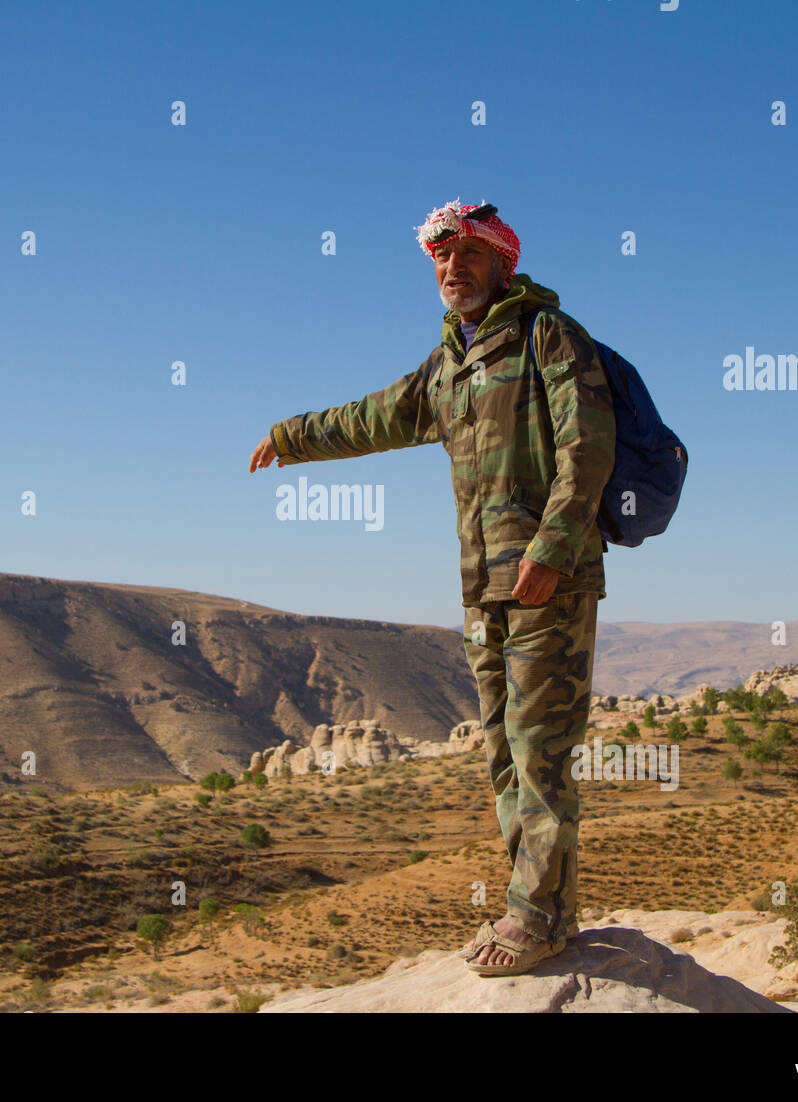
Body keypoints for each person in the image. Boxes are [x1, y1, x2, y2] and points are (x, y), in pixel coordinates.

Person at [247, 199, 616, 976]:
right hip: (482, 588)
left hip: (549, 581)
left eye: (467, 256)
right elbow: (375, 416)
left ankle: (538, 917)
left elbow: (589, 446)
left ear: (501, 261)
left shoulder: (548, 336)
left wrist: (551, 550)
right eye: (440, 261)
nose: (452, 270)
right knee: (504, 754)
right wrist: (291, 436)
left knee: (540, 749)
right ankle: (545, 907)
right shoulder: (449, 364)